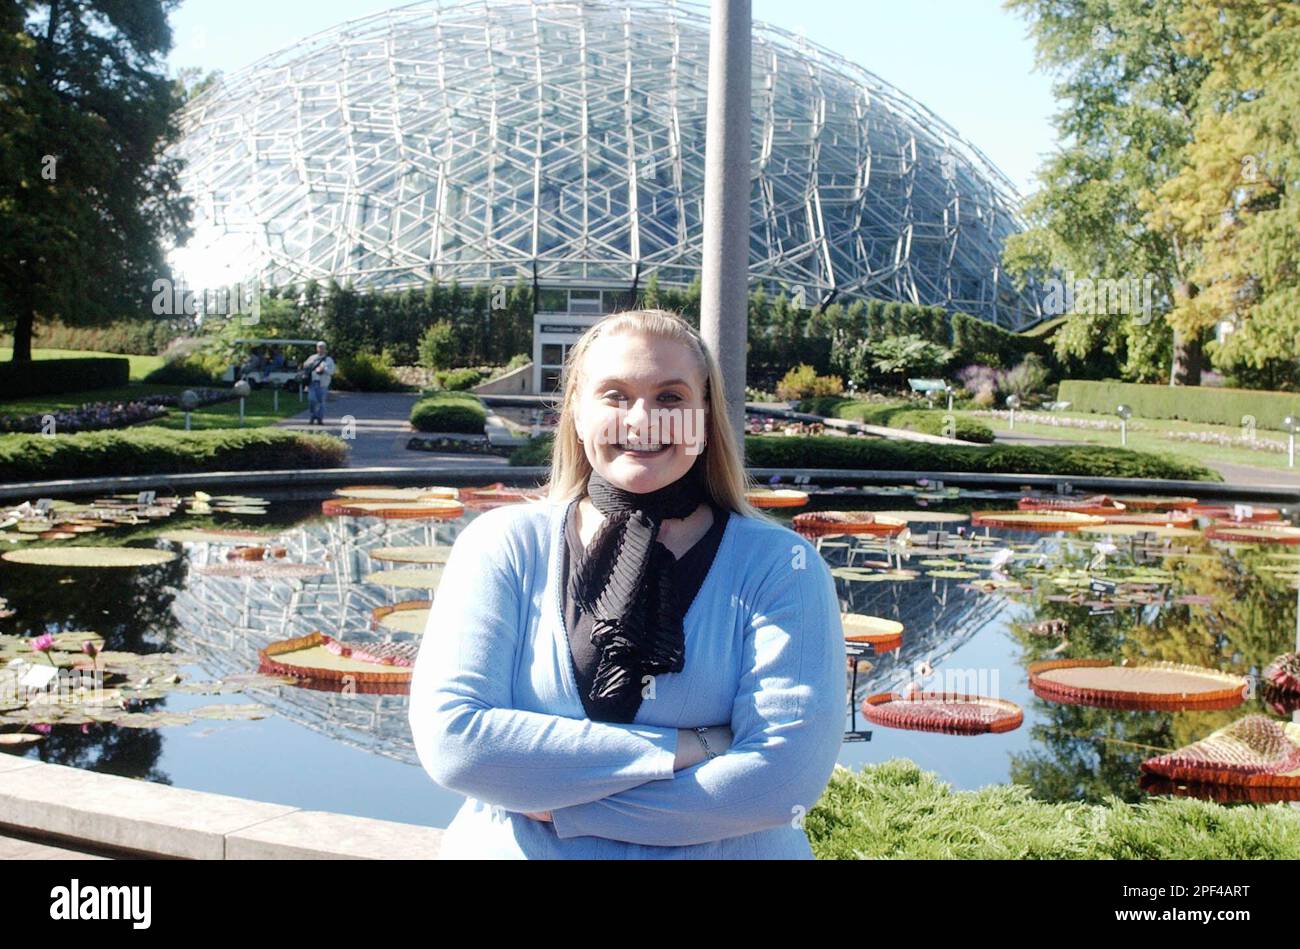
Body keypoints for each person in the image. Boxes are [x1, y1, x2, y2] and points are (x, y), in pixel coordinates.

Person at [408, 309, 847, 859]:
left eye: (670, 397)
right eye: (615, 395)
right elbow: (458, 746)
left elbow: (782, 785)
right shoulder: (502, 544)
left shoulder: (781, 565)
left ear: (705, 415)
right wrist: (695, 746)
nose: (642, 420)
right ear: (576, 411)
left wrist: (568, 809)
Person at [301, 341, 335, 425]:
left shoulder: (328, 360)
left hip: (322, 383)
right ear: (317, 348)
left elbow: (332, 371)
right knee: (312, 400)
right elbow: (305, 366)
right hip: (312, 382)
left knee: (321, 402)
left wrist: (324, 369)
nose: (321, 349)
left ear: (325, 349)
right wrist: (309, 366)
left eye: (322, 347)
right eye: (319, 347)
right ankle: (313, 415)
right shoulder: (312, 358)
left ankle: (319, 418)